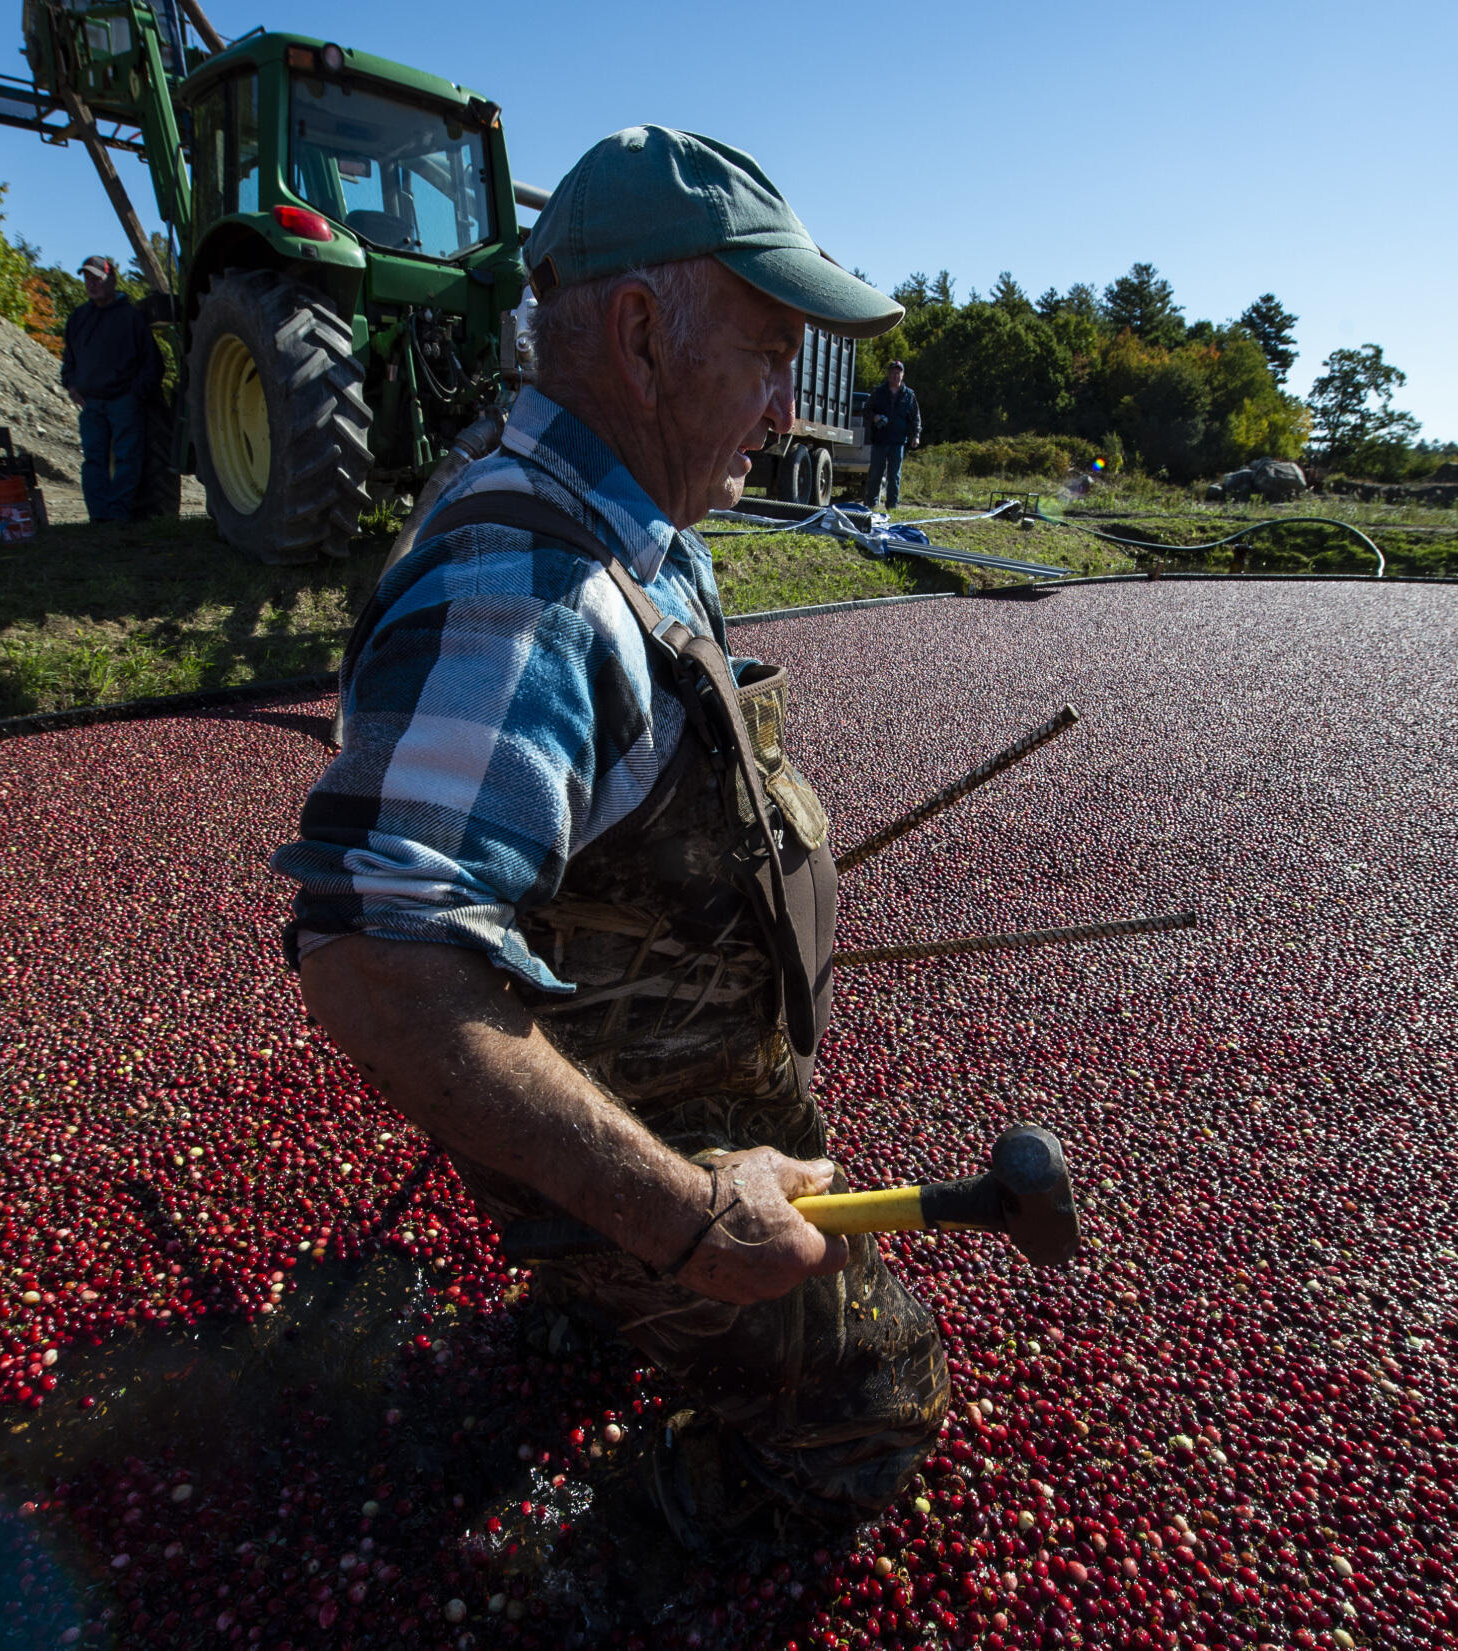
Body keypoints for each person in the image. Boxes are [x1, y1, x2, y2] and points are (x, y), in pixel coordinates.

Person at [271, 126, 949, 1554]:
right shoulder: (527, 589)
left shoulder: (632, 523)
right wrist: (679, 1213)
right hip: (642, 1152)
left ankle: (599, 1308)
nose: (784, 404)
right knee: (874, 1399)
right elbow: (378, 954)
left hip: (696, 1092)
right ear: (641, 332)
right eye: (767, 353)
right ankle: (570, 1568)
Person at [61, 255, 162, 523]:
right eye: (87, 279)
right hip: (91, 403)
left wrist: (134, 393)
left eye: (97, 278)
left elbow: (152, 362)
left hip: (123, 402)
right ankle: (99, 517)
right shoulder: (79, 318)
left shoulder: (130, 317)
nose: (91, 284)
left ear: (111, 279)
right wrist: (70, 384)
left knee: (128, 458)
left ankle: (119, 514)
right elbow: (68, 358)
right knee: (94, 461)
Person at [860, 358, 920, 512]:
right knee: (875, 473)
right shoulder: (879, 392)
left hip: (898, 441)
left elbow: (915, 417)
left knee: (894, 476)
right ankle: (871, 504)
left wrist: (916, 435)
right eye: (893, 373)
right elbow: (866, 410)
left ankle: (892, 506)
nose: (895, 376)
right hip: (880, 440)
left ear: (903, 375)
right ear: (888, 374)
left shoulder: (909, 395)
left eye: (898, 373)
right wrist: (875, 417)